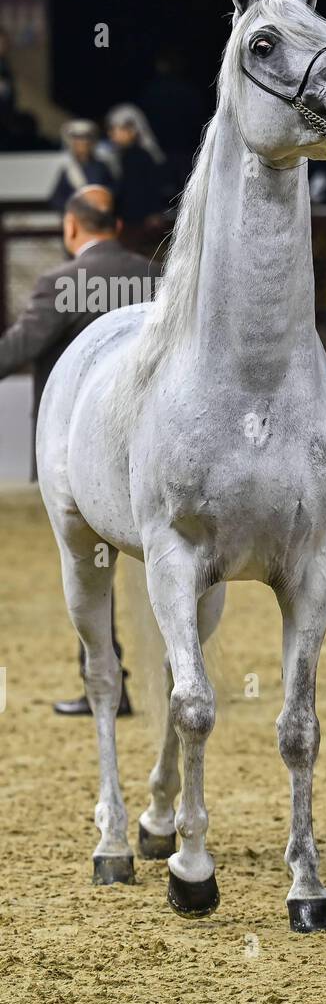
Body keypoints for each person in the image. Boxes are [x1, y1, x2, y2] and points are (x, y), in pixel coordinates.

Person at [0, 185, 161, 716]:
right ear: (115, 227)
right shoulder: (154, 275)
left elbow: (19, 349)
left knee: (91, 562)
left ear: (72, 228)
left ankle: (105, 683)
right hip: (157, 439)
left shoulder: (62, 282)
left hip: (89, 449)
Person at [104, 103, 167, 226]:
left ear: (132, 131)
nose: (111, 134)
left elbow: (151, 188)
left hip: (139, 222)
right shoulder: (122, 155)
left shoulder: (141, 156)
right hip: (127, 220)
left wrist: (154, 212)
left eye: (115, 128)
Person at [49, 120, 115, 212]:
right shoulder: (68, 169)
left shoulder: (101, 168)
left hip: (97, 217)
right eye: (77, 140)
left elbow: (112, 191)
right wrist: (73, 208)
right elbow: (57, 199)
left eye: (86, 139)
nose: (82, 143)